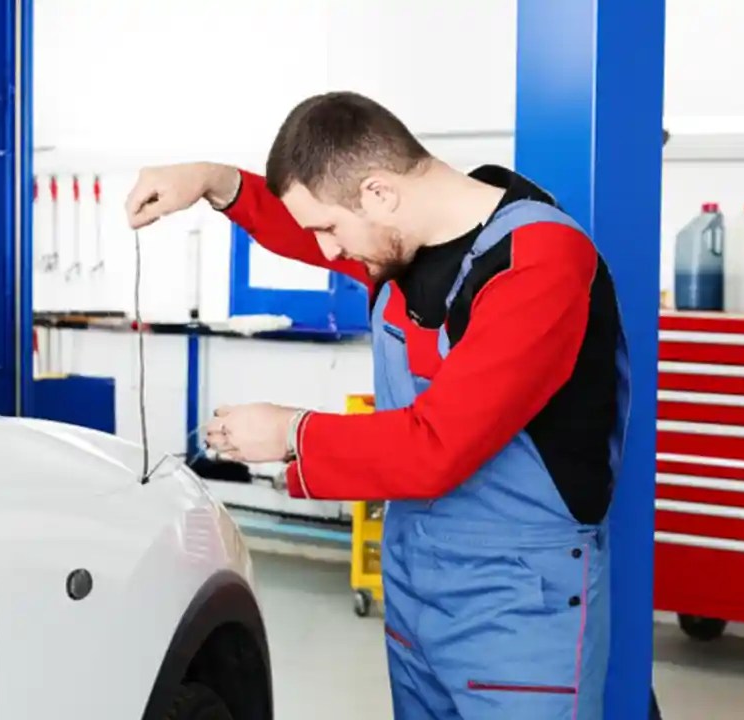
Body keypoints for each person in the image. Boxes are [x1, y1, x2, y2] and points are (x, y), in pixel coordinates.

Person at [126, 91, 632, 720]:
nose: (329, 254)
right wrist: (212, 181)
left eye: (331, 230)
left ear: (379, 193)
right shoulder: (401, 241)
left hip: (517, 602)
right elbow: (304, 225)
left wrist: (293, 433)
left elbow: (438, 444)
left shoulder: (537, 261)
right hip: (417, 581)